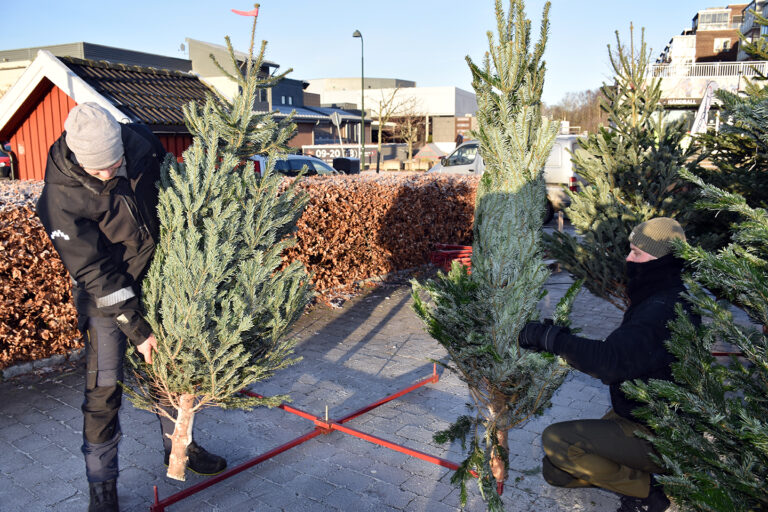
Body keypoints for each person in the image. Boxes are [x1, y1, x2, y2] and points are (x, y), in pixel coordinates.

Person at [37, 103, 226, 512]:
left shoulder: (139, 142)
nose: (110, 173)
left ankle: (181, 448)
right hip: (106, 296)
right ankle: (102, 487)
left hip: (160, 278)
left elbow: (176, 193)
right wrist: (137, 329)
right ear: (81, 160)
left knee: (171, 371)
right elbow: (93, 270)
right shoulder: (61, 197)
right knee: (104, 389)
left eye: (115, 163)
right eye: (100, 170)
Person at [519, 217, 692, 512]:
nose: (628, 259)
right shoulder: (657, 296)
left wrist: (553, 339)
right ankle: (638, 476)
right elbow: (623, 353)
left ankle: (649, 491)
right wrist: (567, 346)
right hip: (634, 413)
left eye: (637, 253)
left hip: (661, 432)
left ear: (663, 259)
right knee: (556, 471)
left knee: (557, 441)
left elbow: (610, 362)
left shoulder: (664, 309)